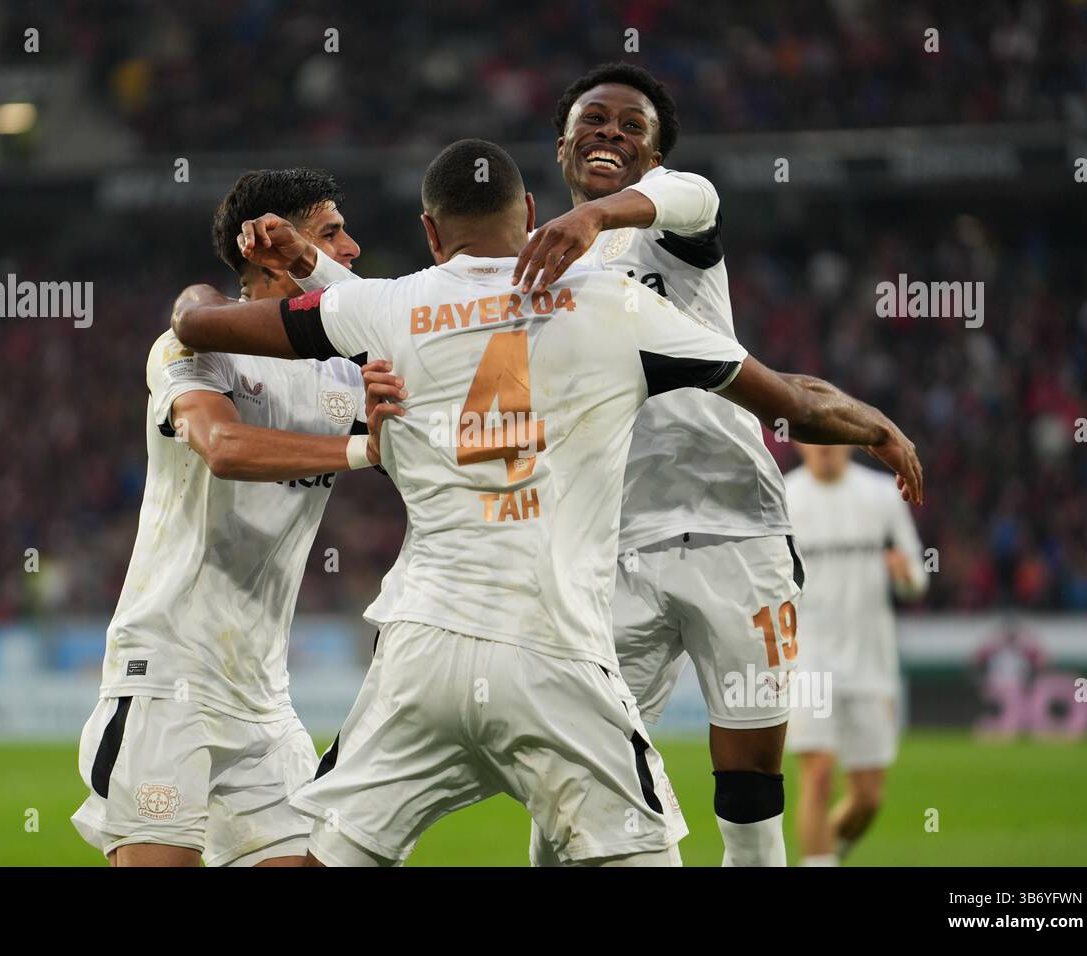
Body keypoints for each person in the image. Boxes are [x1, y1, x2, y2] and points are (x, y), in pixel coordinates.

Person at [169, 138, 922, 866]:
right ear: (530, 212)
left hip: (416, 656)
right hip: (553, 653)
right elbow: (791, 403)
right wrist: (876, 426)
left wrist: (249, 271)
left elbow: (199, 325)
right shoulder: (619, 305)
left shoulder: (380, 309)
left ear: (430, 233)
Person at [512, 61, 821, 866]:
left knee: (749, 787)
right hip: (609, 548)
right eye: (593, 119)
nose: (609, 132)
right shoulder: (531, 267)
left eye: (631, 126)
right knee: (573, 777)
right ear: (560, 146)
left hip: (738, 532)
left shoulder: (676, 228)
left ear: (655, 156)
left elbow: (695, 195)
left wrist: (597, 218)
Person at [70, 168, 404, 867]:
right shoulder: (193, 347)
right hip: (167, 675)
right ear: (268, 246)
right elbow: (221, 447)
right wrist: (358, 449)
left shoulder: (346, 374)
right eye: (331, 233)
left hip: (260, 697)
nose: (354, 247)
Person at [783, 443, 928, 866]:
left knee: (867, 798)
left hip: (871, 662)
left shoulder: (883, 493)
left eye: (832, 437)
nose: (824, 446)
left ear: (848, 439)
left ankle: (829, 852)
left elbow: (916, 576)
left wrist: (908, 579)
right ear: (799, 442)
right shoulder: (783, 496)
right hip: (808, 659)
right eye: (814, 437)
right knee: (819, 774)